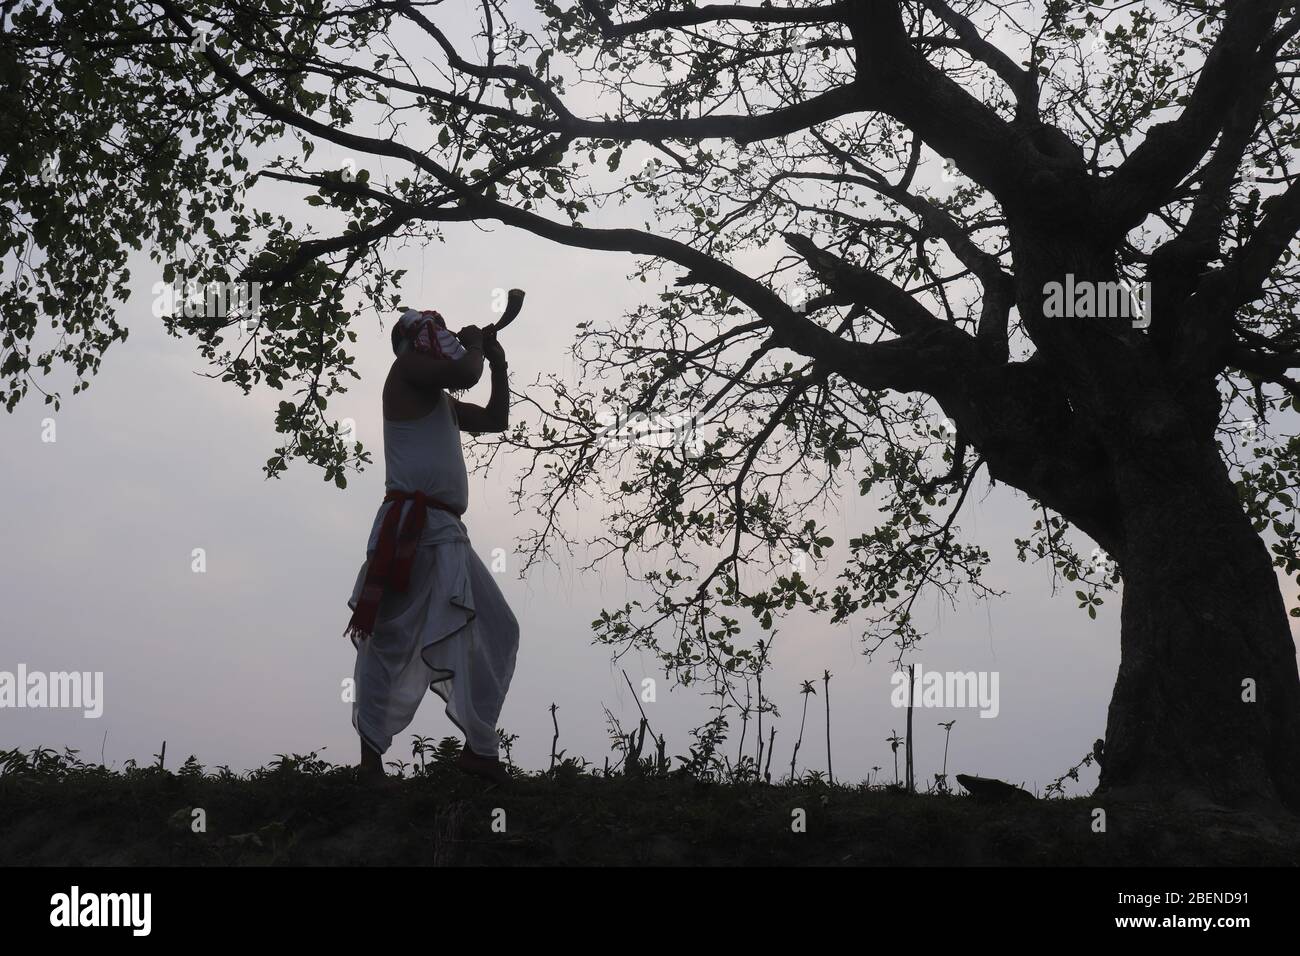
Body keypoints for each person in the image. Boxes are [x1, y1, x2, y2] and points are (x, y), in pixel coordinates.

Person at [344, 308, 518, 784]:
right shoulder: (406, 371)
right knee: (388, 640)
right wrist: (476, 345)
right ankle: (370, 762)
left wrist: (497, 363)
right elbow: (464, 370)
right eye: (431, 333)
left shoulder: (439, 400)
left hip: (445, 533)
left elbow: (497, 419)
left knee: (500, 628)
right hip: (409, 530)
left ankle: (479, 749)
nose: (438, 339)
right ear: (412, 343)